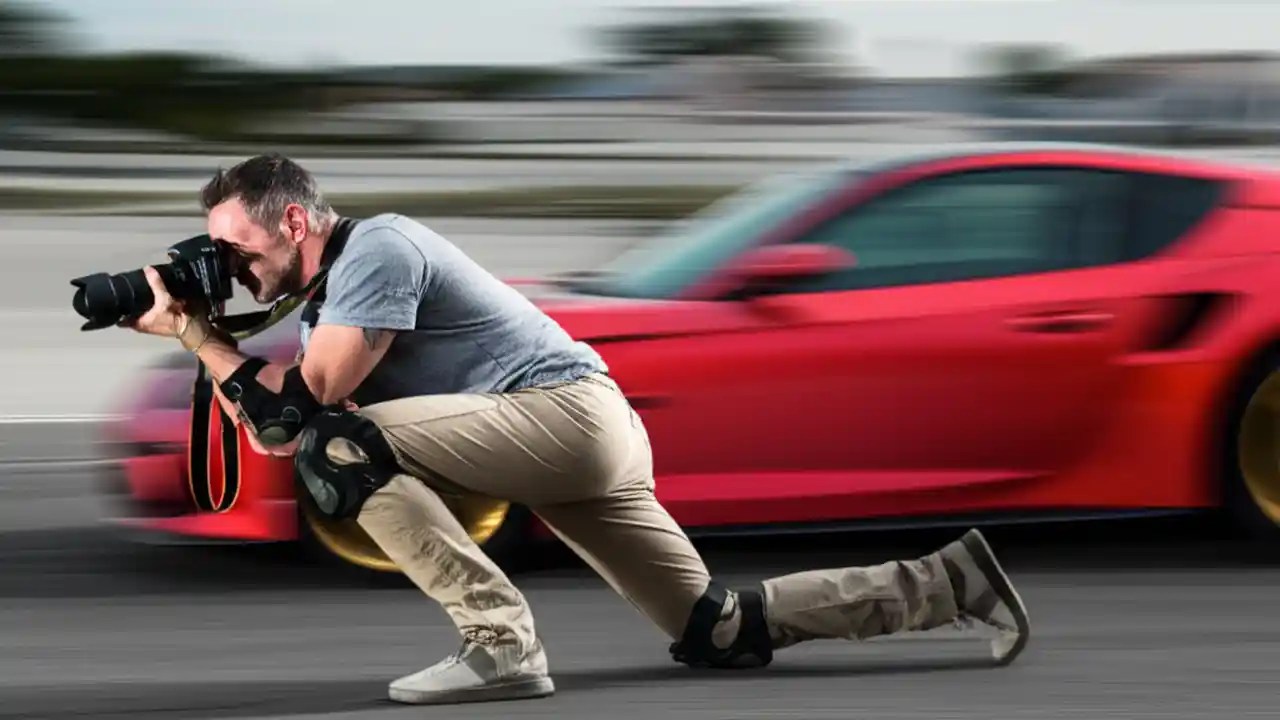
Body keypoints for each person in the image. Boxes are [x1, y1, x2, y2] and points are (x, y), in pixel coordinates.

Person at [122, 154, 1030, 706]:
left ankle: (501, 645)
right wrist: (204, 331)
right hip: (580, 433)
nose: (234, 270)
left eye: (240, 251)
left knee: (345, 448)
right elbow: (277, 431)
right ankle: (947, 586)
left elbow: (304, 421)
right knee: (714, 628)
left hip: (567, 418)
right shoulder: (324, 307)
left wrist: (198, 333)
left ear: (293, 219)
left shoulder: (379, 247)